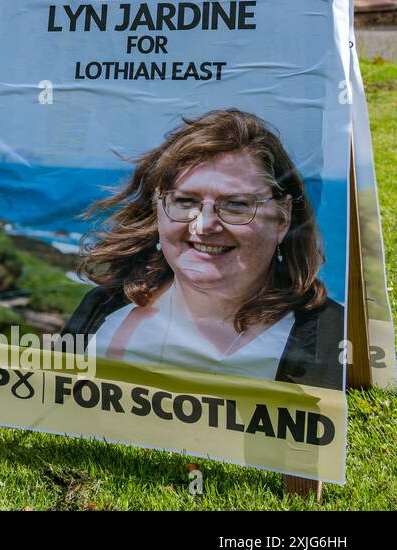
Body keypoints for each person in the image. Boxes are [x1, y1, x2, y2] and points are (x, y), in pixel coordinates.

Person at [64, 109, 343, 389]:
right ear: (156, 211)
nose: (204, 225)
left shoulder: (333, 339)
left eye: (236, 204)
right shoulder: (102, 312)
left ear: (282, 218)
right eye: (185, 201)